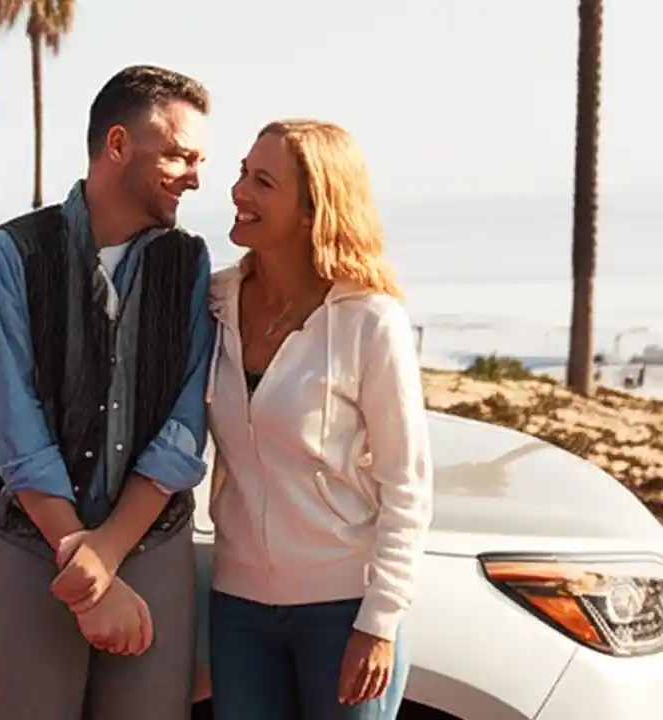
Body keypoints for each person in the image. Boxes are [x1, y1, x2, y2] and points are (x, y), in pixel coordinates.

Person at [0, 64, 215, 720]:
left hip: (151, 540)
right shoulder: (9, 255)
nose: (195, 175)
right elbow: (12, 423)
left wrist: (107, 550)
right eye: (181, 155)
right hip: (27, 543)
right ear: (118, 145)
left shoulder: (189, 265)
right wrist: (79, 558)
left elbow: (187, 419)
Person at [205, 119, 434, 720]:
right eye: (241, 173)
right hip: (239, 607)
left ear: (312, 211)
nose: (238, 193)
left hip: (343, 606)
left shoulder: (368, 321)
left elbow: (407, 484)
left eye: (262, 182)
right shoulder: (213, 302)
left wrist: (380, 621)